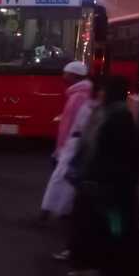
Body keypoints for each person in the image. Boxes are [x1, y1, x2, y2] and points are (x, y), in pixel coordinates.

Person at [65, 76, 139, 276]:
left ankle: (131, 264)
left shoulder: (119, 118)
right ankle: (104, 266)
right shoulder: (107, 114)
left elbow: (120, 155)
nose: (100, 93)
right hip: (101, 184)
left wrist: (106, 178)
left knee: (115, 228)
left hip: (112, 187)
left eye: (104, 90)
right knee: (102, 226)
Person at [38, 61, 94, 221]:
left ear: (74, 76)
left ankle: (47, 211)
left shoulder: (79, 96)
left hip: (73, 143)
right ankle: (63, 211)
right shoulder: (81, 93)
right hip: (73, 142)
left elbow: (72, 123)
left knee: (60, 177)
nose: (63, 76)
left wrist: (61, 146)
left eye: (66, 73)